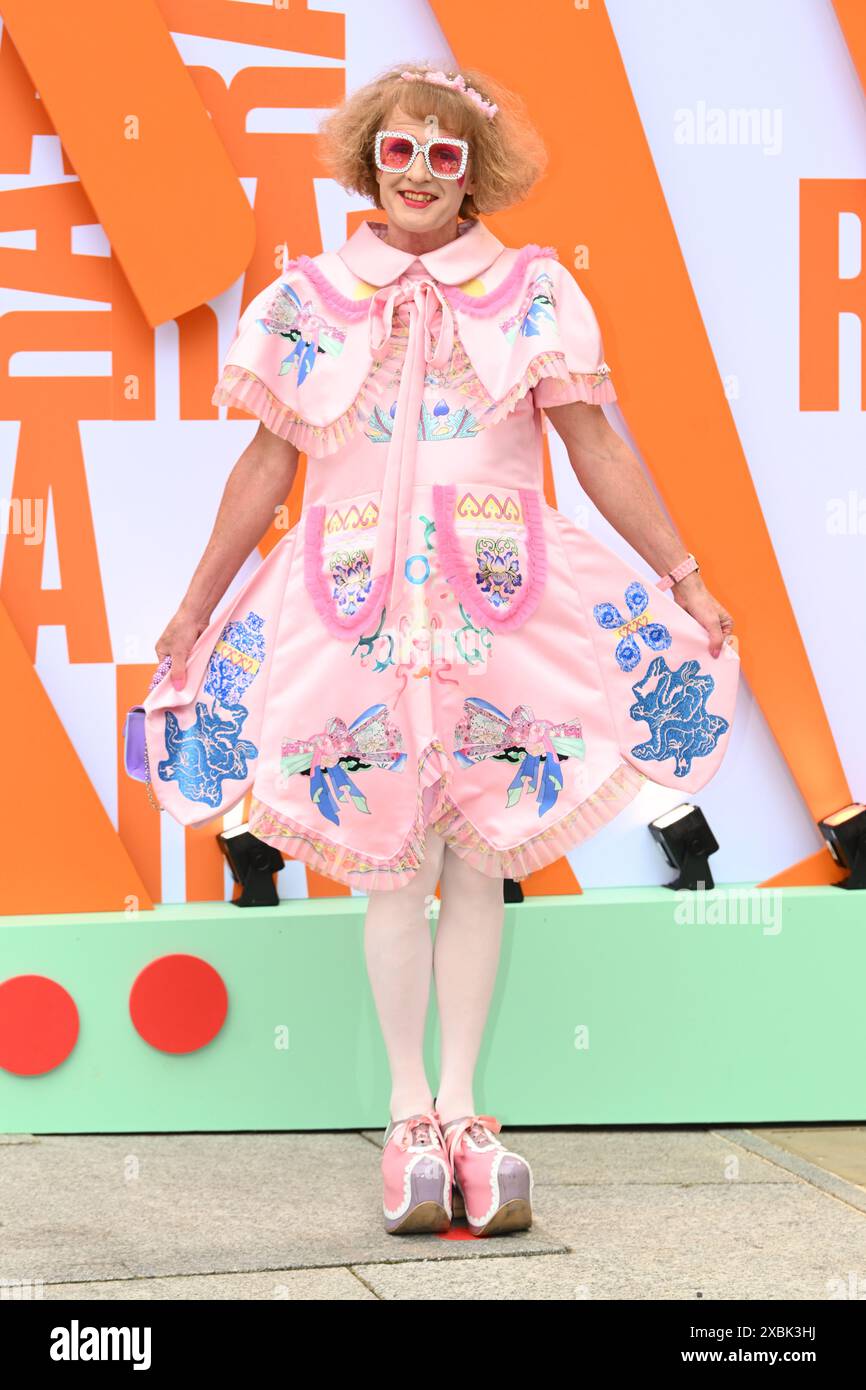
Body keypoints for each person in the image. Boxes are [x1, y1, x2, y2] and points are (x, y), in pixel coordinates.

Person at [144, 62, 739, 1238]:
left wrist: (683, 574)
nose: (417, 173)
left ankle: (467, 1107)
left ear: (476, 172)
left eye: (443, 153)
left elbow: (593, 443)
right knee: (384, 860)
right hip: (352, 601)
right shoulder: (307, 298)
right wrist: (193, 603)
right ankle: (405, 1114)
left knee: (476, 855)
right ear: (369, 160)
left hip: (494, 602)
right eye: (399, 150)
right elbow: (266, 464)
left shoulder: (530, 290)